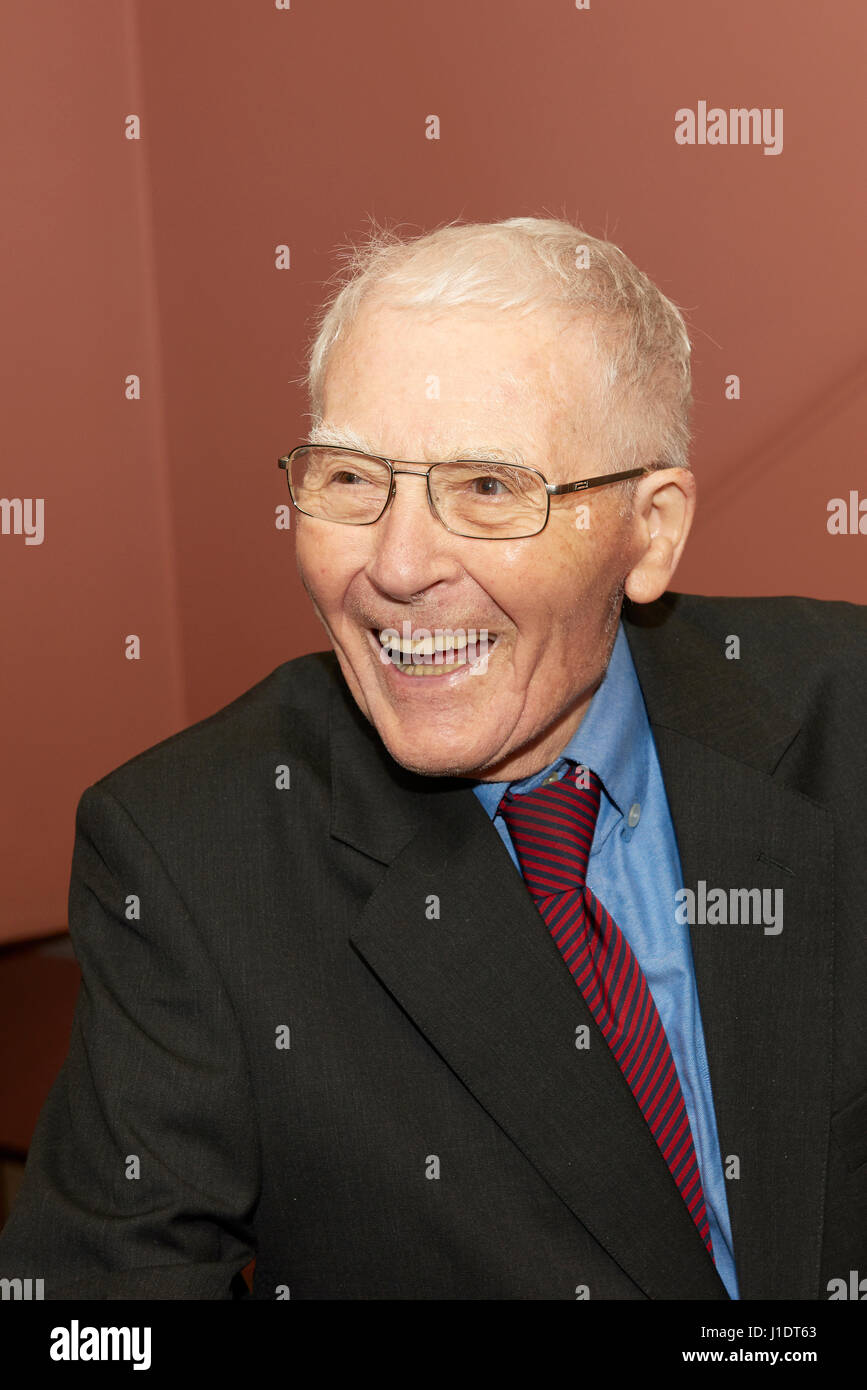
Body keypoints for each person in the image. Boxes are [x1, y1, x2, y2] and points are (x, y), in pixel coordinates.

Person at [1, 217, 864, 1300]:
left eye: (490, 488)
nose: (399, 566)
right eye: (354, 480)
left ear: (651, 531)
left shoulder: (848, 721)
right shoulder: (191, 853)